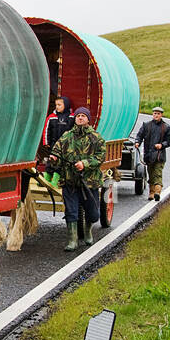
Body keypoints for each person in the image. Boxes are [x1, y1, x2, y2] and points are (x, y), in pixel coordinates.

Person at [47, 106, 106, 251]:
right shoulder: (67, 136)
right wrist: (54, 158)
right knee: (71, 211)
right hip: (70, 181)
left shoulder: (96, 138)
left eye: (83, 116)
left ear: (88, 119)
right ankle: (72, 240)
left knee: (93, 214)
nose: (80, 118)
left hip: (89, 182)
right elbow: (57, 151)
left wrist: (84, 164)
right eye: (78, 115)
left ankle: (87, 231)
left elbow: (100, 157)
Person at [134, 106, 170, 201]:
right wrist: (137, 142)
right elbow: (140, 135)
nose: (156, 115)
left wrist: (162, 145)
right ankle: (151, 193)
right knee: (150, 173)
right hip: (148, 155)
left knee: (158, 173)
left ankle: (157, 192)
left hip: (160, 156)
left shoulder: (166, 127)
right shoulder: (146, 125)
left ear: (161, 115)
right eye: (155, 113)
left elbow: (169, 141)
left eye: (158, 114)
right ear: (152, 114)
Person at [42, 96, 73, 188]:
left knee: (60, 164)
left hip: (66, 146)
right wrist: (46, 142)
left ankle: (55, 182)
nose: (57, 107)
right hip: (53, 144)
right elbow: (46, 130)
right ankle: (46, 180)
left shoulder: (71, 117)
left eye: (59, 105)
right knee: (50, 162)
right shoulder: (52, 117)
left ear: (66, 105)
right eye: (56, 105)